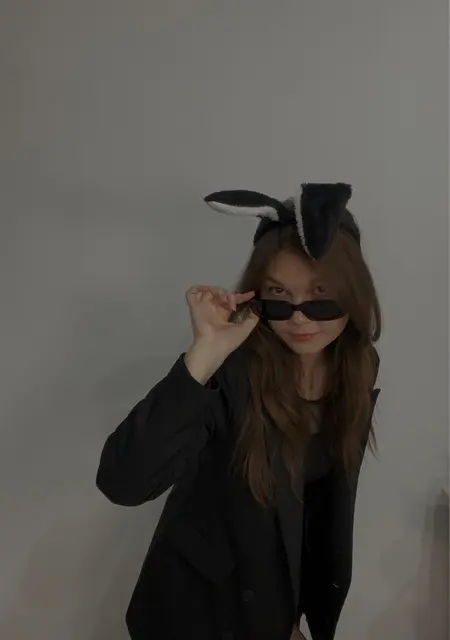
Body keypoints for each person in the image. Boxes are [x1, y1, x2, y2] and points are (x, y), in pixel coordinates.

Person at [96, 183, 382, 640]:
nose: (300, 318)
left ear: (353, 293)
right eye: (278, 296)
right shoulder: (232, 369)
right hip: (197, 614)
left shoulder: (358, 366)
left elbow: (315, 507)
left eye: (321, 295)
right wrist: (205, 353)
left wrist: (293, 615)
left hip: (275, 606)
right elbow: (124, 481)